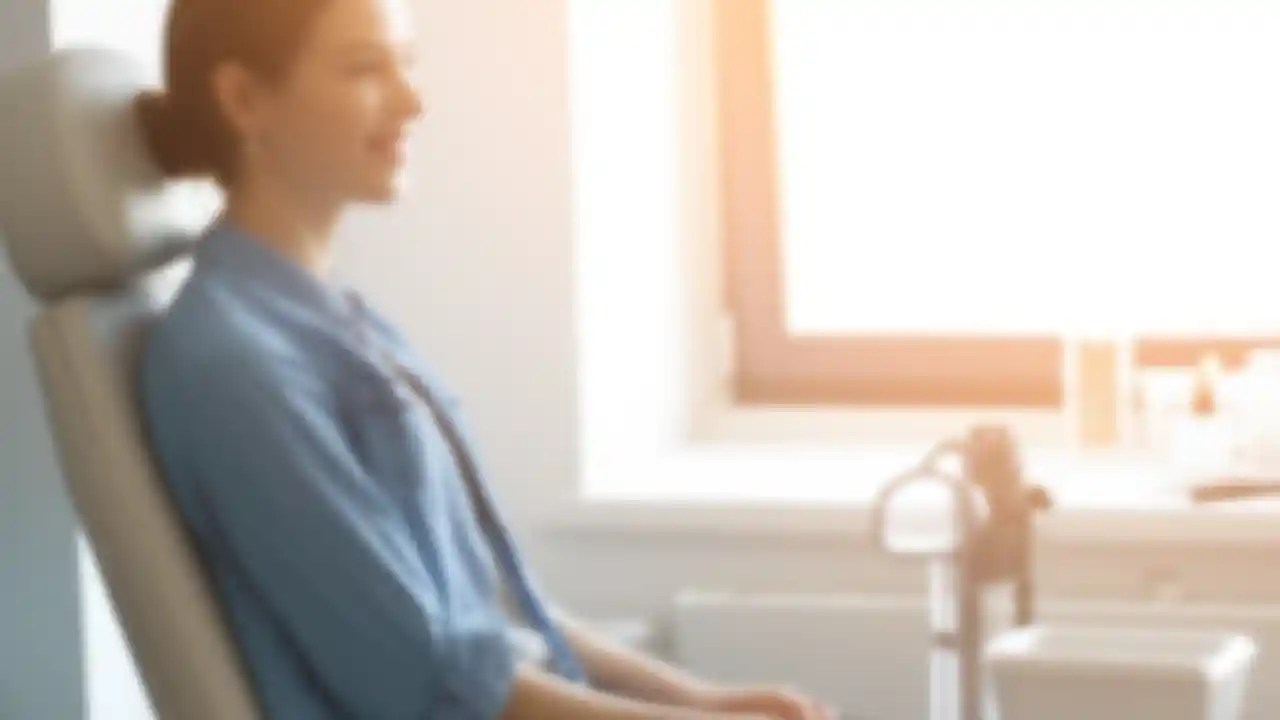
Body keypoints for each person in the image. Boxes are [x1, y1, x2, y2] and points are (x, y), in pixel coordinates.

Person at [134, 0, 835, 718]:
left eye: (407, 66)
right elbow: (427, 681)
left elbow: (487, 611)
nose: (413, 101)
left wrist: (698, 700)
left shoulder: (332, 322)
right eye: (365, 68)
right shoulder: (232, 365)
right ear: (244, 99)